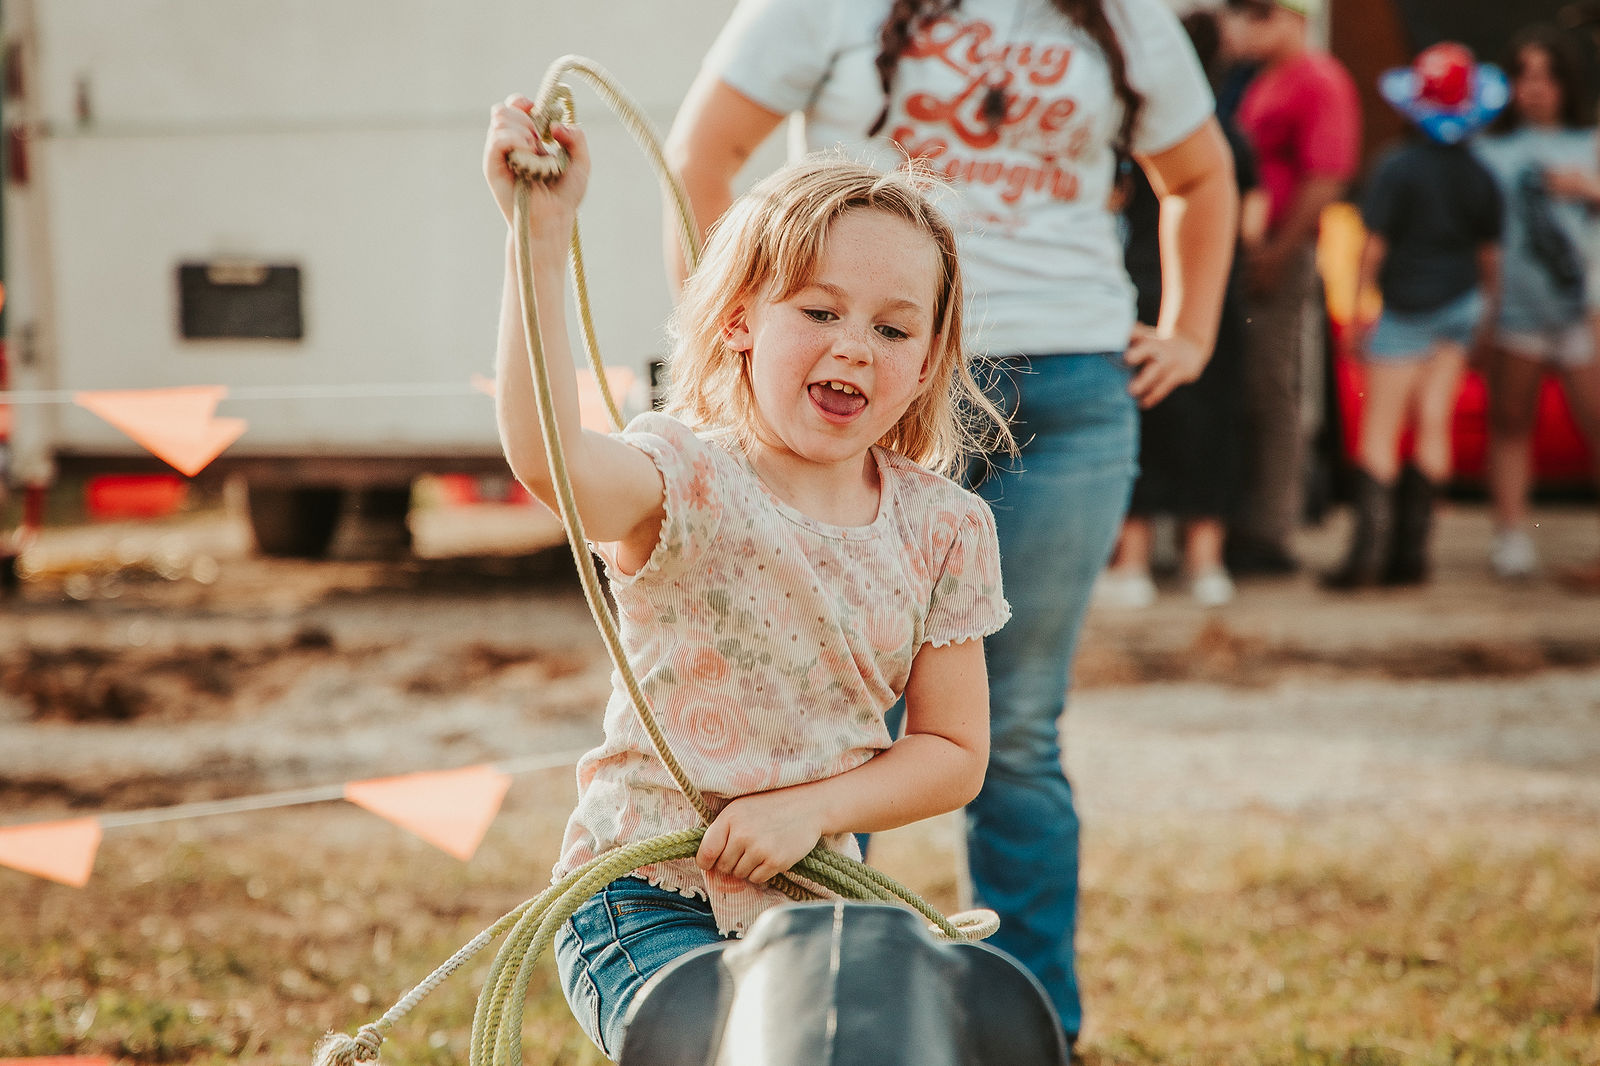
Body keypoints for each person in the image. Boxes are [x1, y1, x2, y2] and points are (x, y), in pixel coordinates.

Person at [665, 0, 1239, 1046]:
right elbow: (704, 152)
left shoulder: (1122, 17)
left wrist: (1192, 327)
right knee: (834, 731)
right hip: (861, 383)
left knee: (1012, 730)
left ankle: (1029, 1032)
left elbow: (1198, 173)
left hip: (1066, 390)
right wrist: (742, 349)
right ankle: (808, 1022)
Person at [484, 104, 1014, 1060]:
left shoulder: (946, 528)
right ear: (738, 323)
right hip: (644, 901)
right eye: (818, 311)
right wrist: (542, 236)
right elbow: (545, 458)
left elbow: (951, 749)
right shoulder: (682, 477)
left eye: (894, 329)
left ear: (929, 356)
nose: (855, 344)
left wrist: (810, 810)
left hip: (816, 898)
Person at [1097, 8, 1267, 609]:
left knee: (1143, 423)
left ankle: (1133, 563)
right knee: (1211, 427)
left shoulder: (1129, 127)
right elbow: (1249, 227)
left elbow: (1105, 203)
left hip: (1137, 290)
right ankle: (1205, 562)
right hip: (1207, 297)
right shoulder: (1231, 143)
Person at [1323, 43, 1506, 589]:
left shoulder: (1396, 169)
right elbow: (1489, 258)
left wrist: (1357, 311)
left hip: (1405, 310)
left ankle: (1367, 558)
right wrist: (1487, 320)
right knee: (1434, 424)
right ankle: (1413, 557)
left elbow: (1372, 248)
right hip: (1459, 308)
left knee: (1380, 431)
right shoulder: (1480, 173)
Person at [1219, 0, 1361, 576]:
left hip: (1279, 250)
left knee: (1271, 387)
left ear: (1292, 18)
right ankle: (1245, 522)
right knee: (1249, 385)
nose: (1243, 25)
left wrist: (1278, 252)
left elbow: (1326, 175)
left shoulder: (1319, 79)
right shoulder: (1255, 80)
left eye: (1258, 13)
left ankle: (1270, 528)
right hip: (1254, 251)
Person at [1472, 25, 1600, 582]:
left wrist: (1589, 190)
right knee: (1510, 420)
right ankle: (1511, 537)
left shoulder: (1591, 144)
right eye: (1523, 75)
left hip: (1583, 310)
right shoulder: (1486, 149)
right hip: (1514, 309)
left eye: (1548, 76)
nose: (1535, 88)